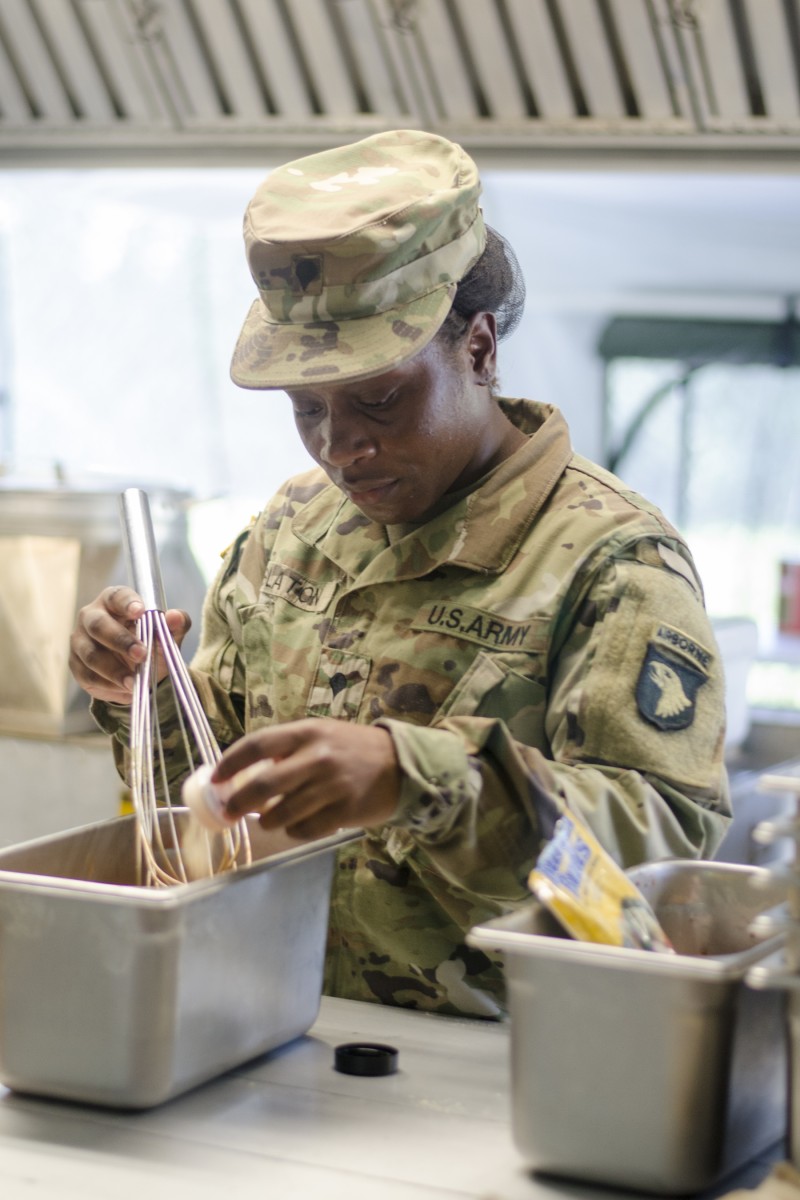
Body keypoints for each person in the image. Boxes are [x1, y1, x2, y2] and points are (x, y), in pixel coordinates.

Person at [69, 129, 731, 1018]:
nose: (341, 448)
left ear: (482, 350)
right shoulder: (289, 532)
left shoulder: (611, 562)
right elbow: (217, 794)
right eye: (307, 409)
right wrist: (143, 695)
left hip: (502, 1067)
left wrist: (418, 778)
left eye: (380, 399)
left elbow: (657, 864)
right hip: (272, 1024)